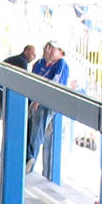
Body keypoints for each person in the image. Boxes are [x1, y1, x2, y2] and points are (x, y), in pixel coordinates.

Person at [26, 42, 70, 173]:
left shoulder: (61, 64)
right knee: (28, 129)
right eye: (47, 48)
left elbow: (55, 85)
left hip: (48, 104)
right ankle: (28, 158)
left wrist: (40, 99)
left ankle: (31, 162)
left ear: (60, 52)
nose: (49, 51)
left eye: (53, 49)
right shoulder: (39, 63)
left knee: (38, 133)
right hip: (34, 100)